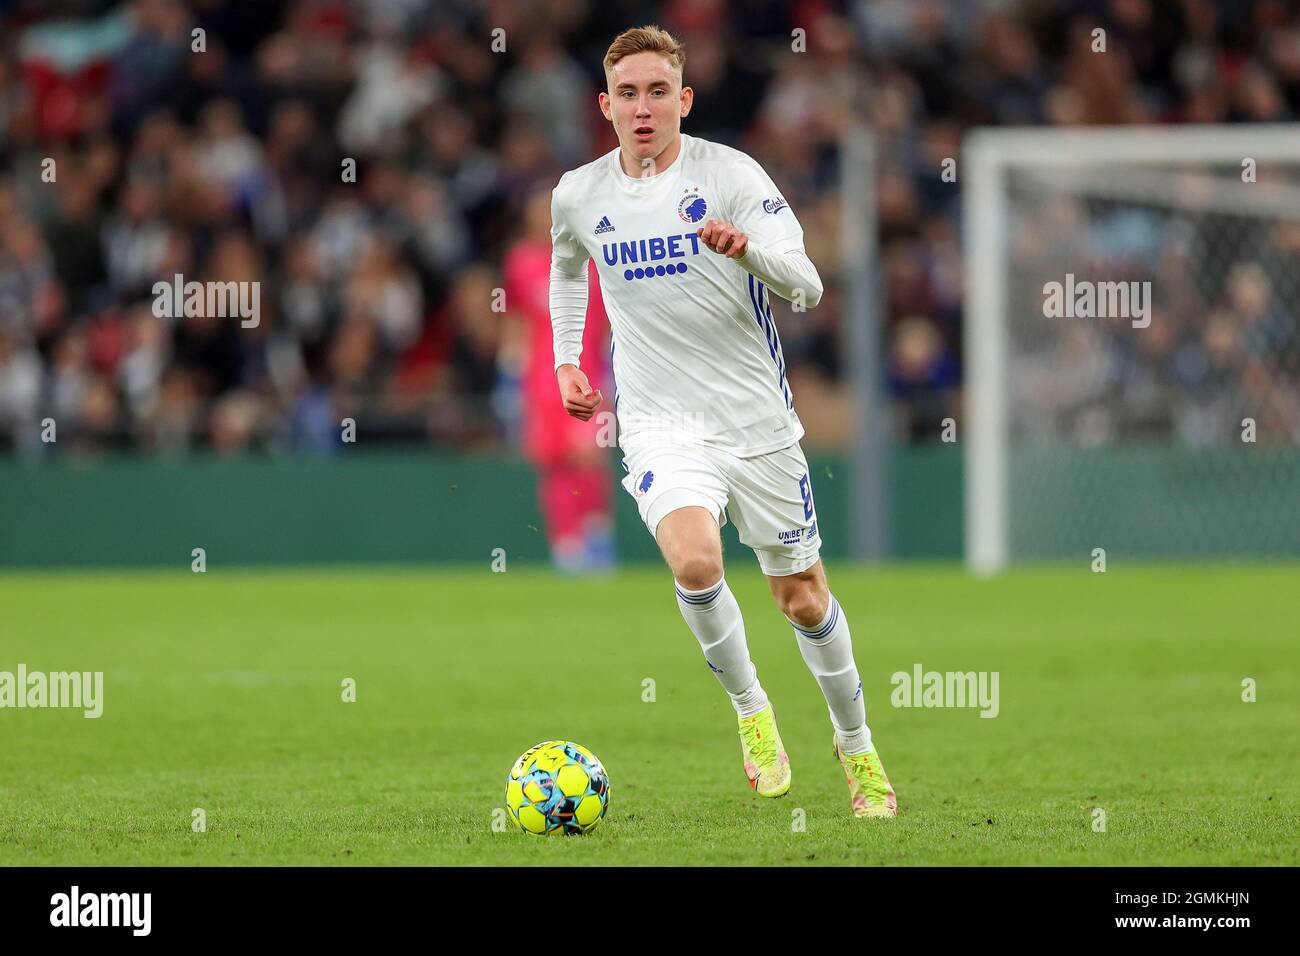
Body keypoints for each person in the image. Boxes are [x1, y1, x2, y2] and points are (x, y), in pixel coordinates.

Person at [547, 25, 896, 817]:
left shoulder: (732, 175)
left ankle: (857, 744)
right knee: (696, 561)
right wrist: (569, 356)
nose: (644, 108)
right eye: (628, 94)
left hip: (754, 422)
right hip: (660, 422)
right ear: (605, 106)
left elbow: (805, 283)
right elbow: (569, 270)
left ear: (684, 99)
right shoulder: (579, 193)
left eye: (658, 91)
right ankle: (752, 711)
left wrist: (748, 254)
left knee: (802, 598)